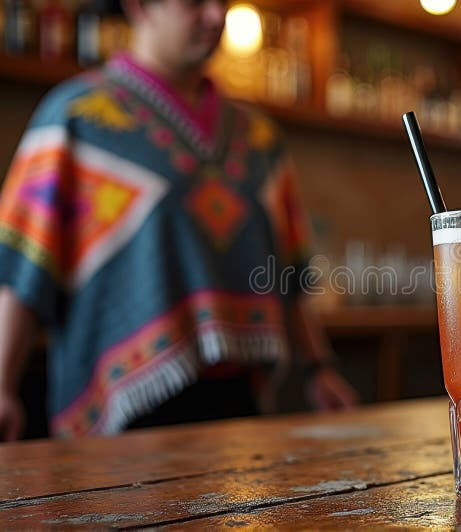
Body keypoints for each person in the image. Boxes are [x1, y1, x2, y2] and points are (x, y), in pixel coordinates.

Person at [0, 0, 357, 440]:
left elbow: (289, 271)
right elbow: (24, 261)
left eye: (222, 3)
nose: (215, 16)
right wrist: (2, 385)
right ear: (138, 7)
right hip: (124, 408)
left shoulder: (259, 137)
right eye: (194, 3)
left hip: (239, 403)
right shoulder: (76, 118)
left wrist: (319, 368)